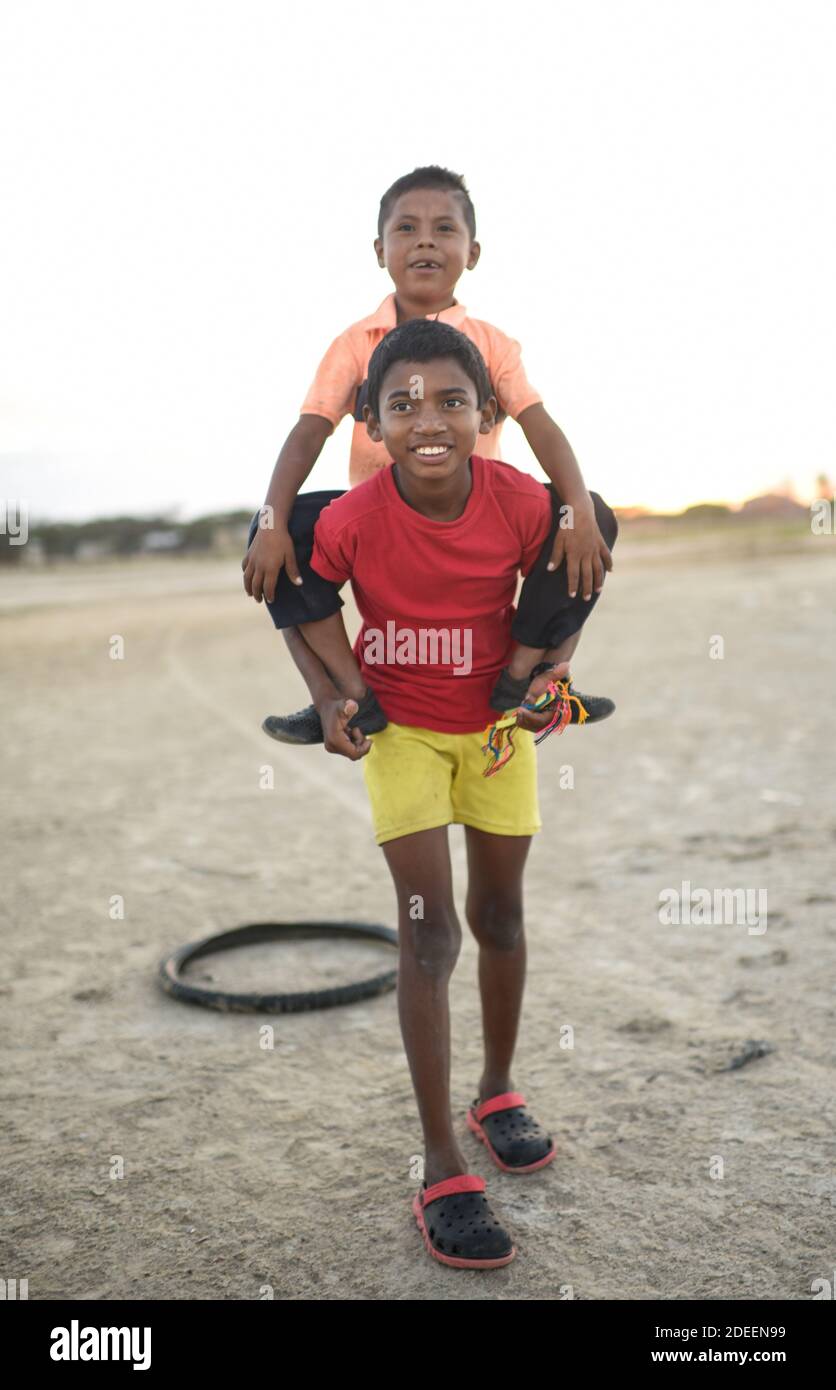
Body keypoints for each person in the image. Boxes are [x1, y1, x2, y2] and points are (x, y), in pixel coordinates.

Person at [302, 317, 613, 1268]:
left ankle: (498, 1089)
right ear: (372, 420)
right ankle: (441, 1161)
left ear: (485, 417)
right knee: (430, 930)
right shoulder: (350, 519)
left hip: (493, 732)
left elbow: (574, 577)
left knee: (502, 915)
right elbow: (301, 605)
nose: (426, 419)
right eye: (402, 404)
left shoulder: (523, 502)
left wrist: (550, 673)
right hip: (401, 733)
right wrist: (330, 700)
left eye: (450, 401)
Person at [241, 165, 617, 745]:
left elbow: (540, 425)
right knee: (275, 530)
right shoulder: (353, 344)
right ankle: (339, 695)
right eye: (406, 228)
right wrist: (270, 520)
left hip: (477, 512)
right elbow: (307, 434)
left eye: (444, 229)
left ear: (472, 252)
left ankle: (537, 677)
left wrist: (579, 509)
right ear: (379, 249)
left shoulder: (492, 344)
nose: (424, 240)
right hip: (377, 515)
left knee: (590, 514)